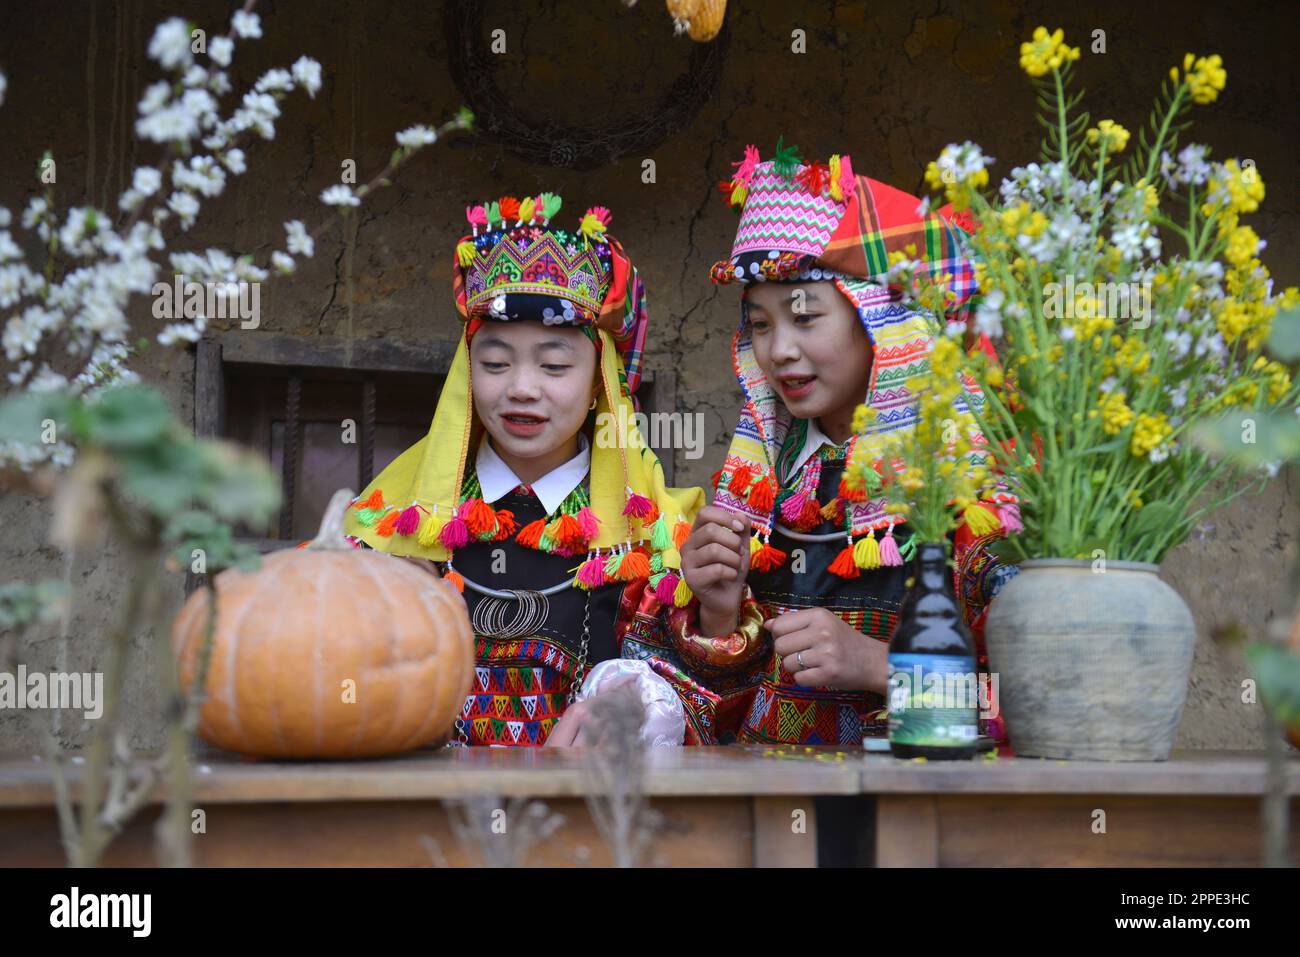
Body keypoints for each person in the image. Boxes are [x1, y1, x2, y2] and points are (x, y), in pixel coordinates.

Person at [673, 144, 1020, 746]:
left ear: (883, 320)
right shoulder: (757, 500)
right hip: (762, 819)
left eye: (805, 316)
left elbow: (1031, 700)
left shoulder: (973, 498)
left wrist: (878, 667)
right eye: (759, 323)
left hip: (912, 824)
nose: (778, 350)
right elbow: (695, 714)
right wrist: (719, 615)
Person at [342, 193, 712, 747]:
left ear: (598, 384)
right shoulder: (401, 522)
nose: (520, 388)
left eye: (555, 364)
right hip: (429, 814)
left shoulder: (654, 535)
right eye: (494, 363)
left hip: (586, 816)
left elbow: (699, 709)